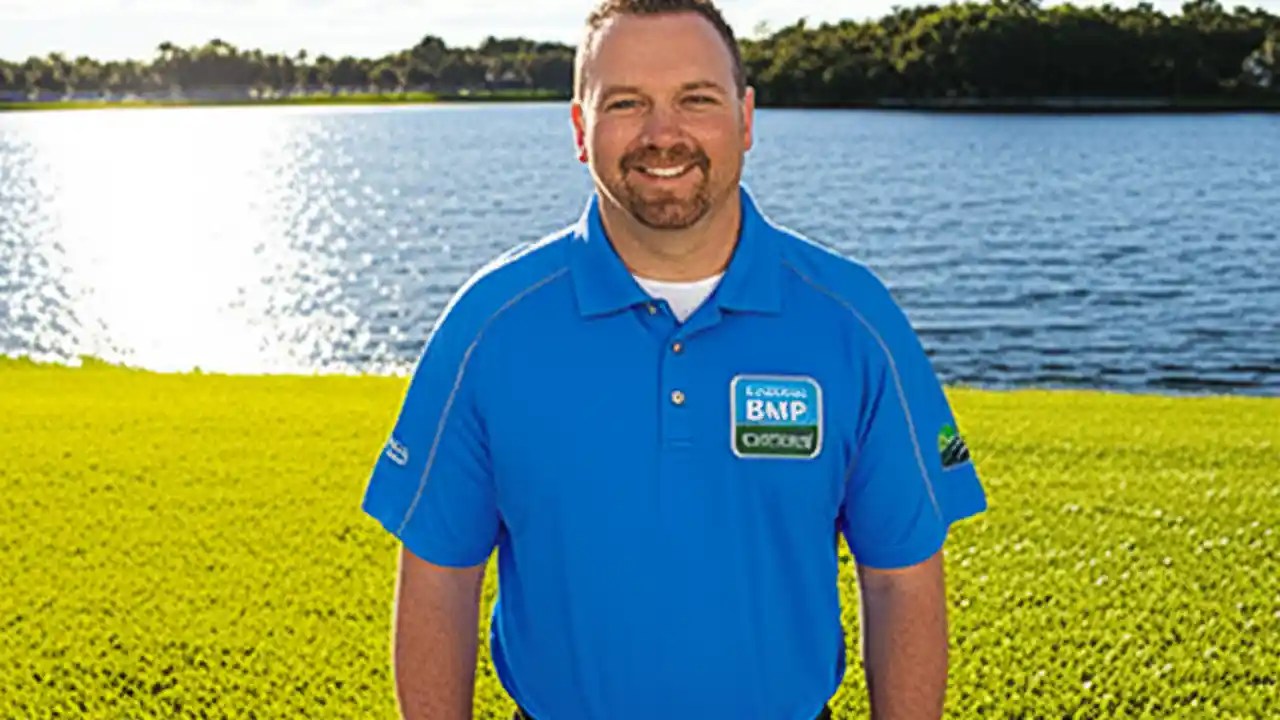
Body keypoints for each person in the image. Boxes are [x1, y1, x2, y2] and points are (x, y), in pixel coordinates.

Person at [360, 0, 989, 718]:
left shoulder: (854, 321)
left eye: (697, 99)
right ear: (578, 127)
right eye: (627, 103)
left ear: (746, 118)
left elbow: (899, 580)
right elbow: (441, 575)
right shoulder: (489, 327)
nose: (665, 135)